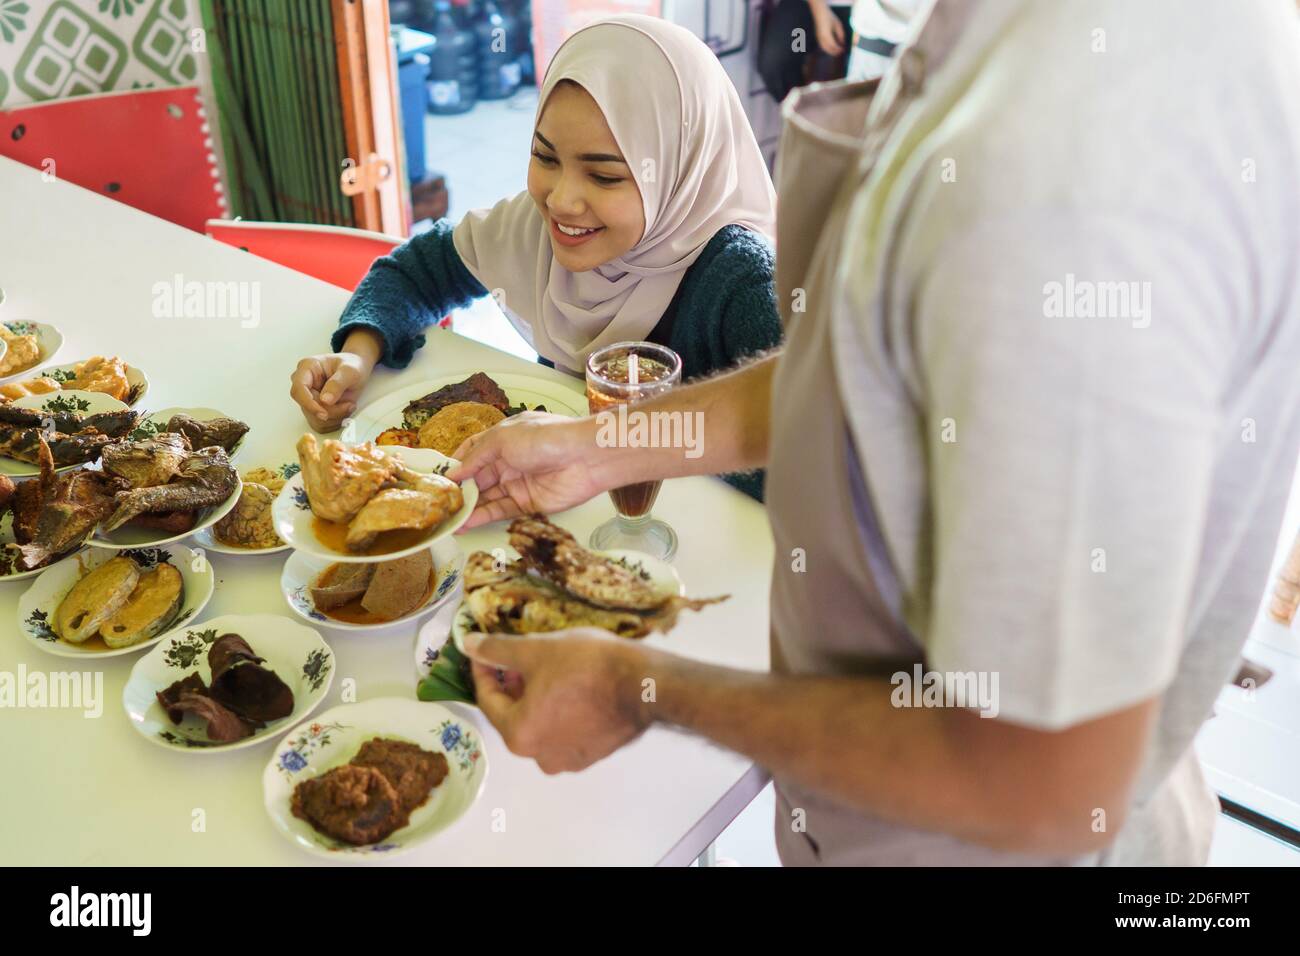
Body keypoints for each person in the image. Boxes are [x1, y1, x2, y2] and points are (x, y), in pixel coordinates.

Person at [445, 0, 1300, 865]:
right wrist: (598, 449)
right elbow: (873, 364)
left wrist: (638, 690)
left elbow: (1037, 774)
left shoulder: (1068, 181)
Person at [289, 15, 779, 500]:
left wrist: (613, 451)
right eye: (546, 158)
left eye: (605, 177)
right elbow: (417, 272)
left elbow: (799, 455)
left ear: (680, 172)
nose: (562, 200)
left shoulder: (743, 282)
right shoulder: (537, 226)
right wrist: (357, 352)